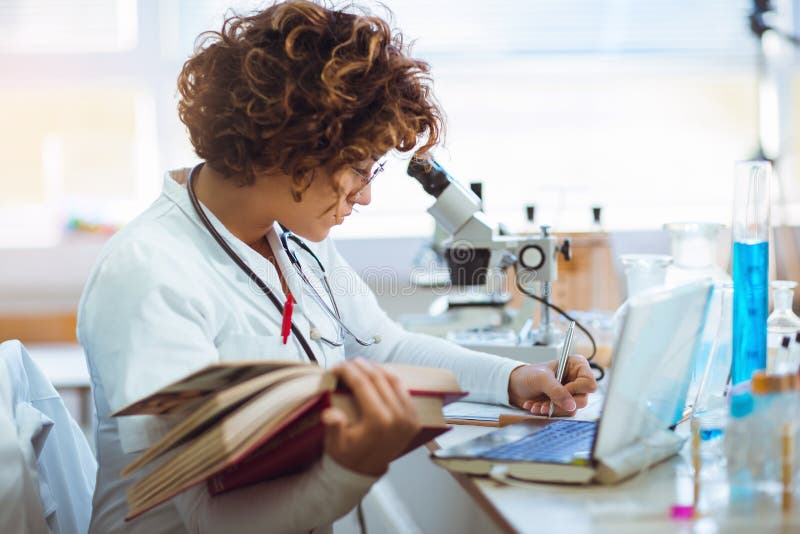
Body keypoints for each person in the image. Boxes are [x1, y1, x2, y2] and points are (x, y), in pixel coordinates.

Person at [77, 1, 597, 532]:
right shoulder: (148, 275)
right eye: (357, 169)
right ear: (287, 145)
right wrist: (353, 467)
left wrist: (513, 378)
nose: (366, 196)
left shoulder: (290, 238)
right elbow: (211, 519)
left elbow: (383, 347)